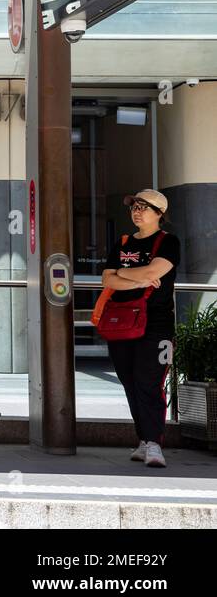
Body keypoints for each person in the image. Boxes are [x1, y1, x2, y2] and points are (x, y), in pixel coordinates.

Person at [100, 189, 180, 469]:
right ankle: (143, 440)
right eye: (134, 206)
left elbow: (151, 273)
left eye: (145, 207)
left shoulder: (168, 242)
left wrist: (128, 275)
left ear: (159, 214)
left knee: (150, 383)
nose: (137, 210)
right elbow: (107, 279)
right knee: (130, 383)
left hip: (157, 326)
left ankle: (155, 443)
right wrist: (137, 281)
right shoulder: (122, 242)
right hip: (122, 323)